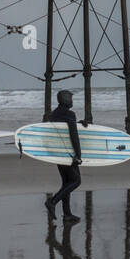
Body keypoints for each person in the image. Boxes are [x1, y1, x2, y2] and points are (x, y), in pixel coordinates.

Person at [44, 89, 83, 223]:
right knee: (76, 181)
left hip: (58, 153)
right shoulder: (70, 114)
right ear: (66, 100)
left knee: (67, 183)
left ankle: (67, 214)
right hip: (68, 154)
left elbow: (64, 129)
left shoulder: (54, 114)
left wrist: (79, 124)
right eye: (71, 99)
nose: (72, 101)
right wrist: (78, 154)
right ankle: (52, 202)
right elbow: (73, 135)